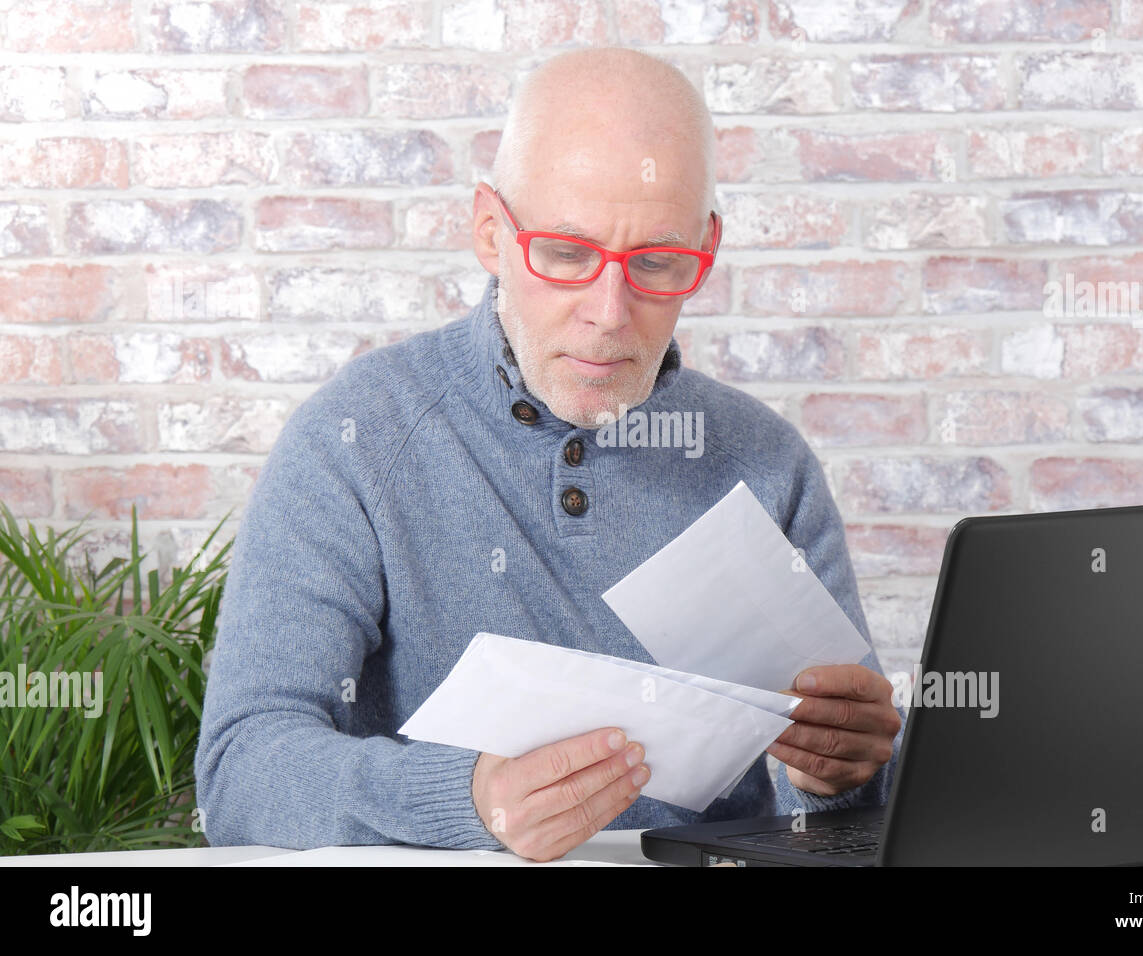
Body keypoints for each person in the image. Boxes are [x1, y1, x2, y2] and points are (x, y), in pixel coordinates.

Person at [195, 46, 904, 863]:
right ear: (491, 234)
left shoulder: (767, 463)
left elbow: (839, 807)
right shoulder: (357, 438)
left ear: (705, 249)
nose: (610, 314)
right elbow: (241, 770)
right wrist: (467, 801)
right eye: (567, 255)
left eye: (657, 264)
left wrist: (835, 776)